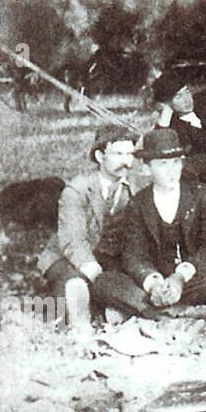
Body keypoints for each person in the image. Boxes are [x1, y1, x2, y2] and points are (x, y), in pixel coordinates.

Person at [114, 129, 206, 314]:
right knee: (106, 281)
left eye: (176, 163)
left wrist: (179, 277)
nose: (172, 171)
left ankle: (154, 309)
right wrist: (153, 283)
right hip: (156, 276)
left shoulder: (201, 195)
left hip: (190, 277)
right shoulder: (138, 204)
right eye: (163, 164)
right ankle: (164, 304)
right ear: (147, 169)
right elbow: (134, 255)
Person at [36, 126, 141, 330]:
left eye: (130, 154)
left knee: (119, 285)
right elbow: (73, 240)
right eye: (118, 154)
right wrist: (91, 268)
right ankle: (79, 313)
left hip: (107, 257)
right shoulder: (77, 190)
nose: (126, 161)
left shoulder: (133, 189)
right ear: (100, 156)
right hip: (68, 257)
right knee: (73, 284)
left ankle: (103, 308)